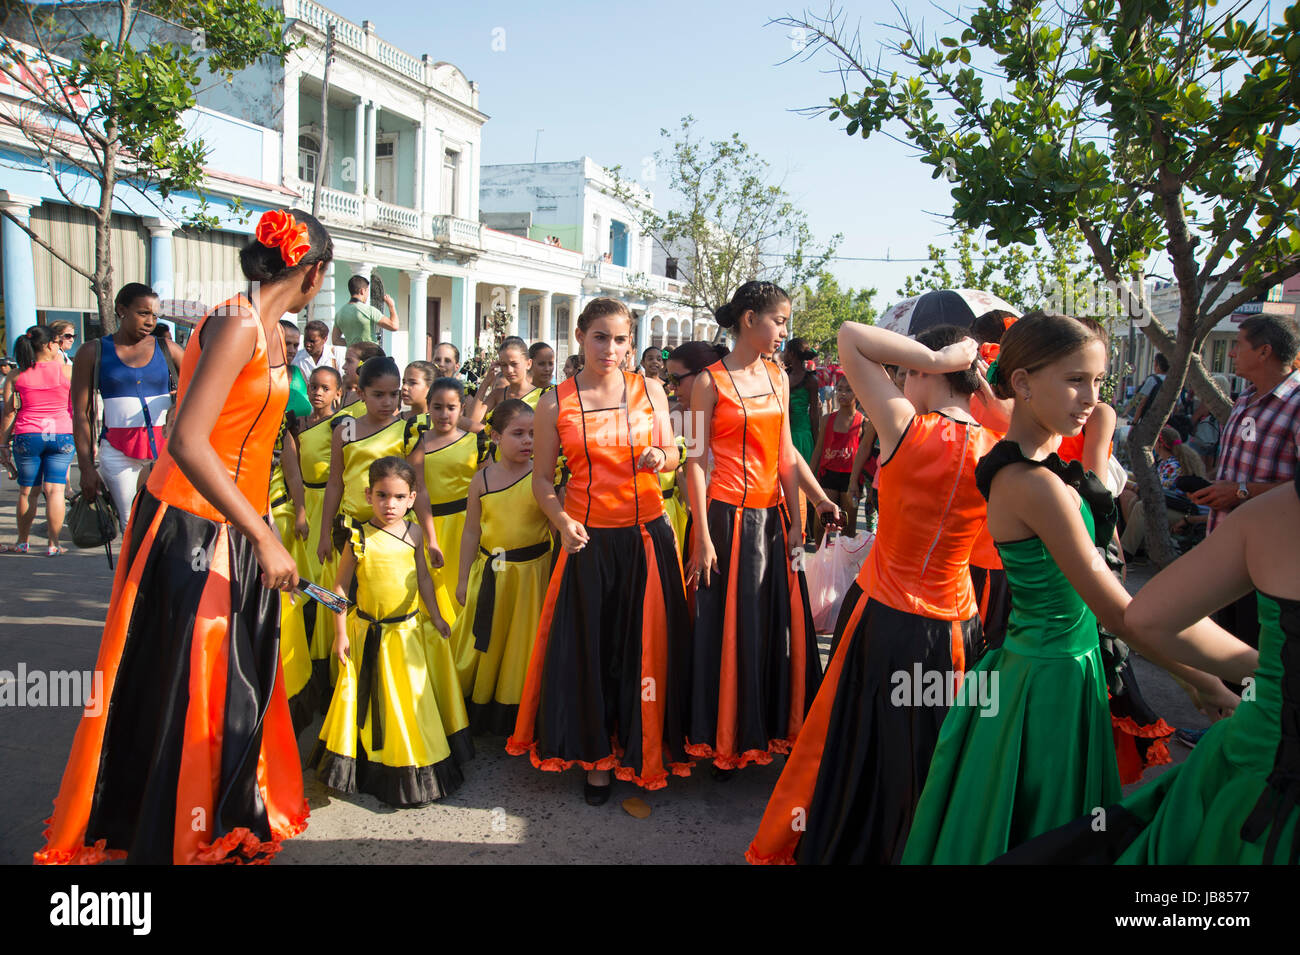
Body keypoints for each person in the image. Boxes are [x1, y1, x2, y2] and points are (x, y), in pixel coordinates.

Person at [35, 207, 332, 865]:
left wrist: (264, 525)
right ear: (314, 273)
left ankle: (216, 811)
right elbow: (188, 440)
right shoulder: (234, 321)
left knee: (229, 680)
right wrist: (262, 532)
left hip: (234, 524)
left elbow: (255, 436)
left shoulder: (267, 329)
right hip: (195, 521)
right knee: (187, 681)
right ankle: (177, 826)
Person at [899, 313, 1242, 865]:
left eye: (1099, 381)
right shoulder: (1036, 484)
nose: (1090, 396)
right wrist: (1209, 679)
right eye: (1075, 379)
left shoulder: (1037, 464)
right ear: (1025, 384)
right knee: (1051, 836)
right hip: (1048, 684)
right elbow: (1122, 610)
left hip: (1055, 670)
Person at [747, 322, 996, 865]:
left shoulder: (906, 426)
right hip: (958, 626)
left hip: (886, 615)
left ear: (918, 371)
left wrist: (939, 354)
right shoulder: (998, 445)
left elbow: (850, 336)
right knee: (930, 752)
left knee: (861, 744)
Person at [998, 481, 1290, 865]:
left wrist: (1257, 673)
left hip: (1258, 761)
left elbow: (1138, 614)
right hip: (1047, 667)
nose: (1087, 415)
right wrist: (1214, 677)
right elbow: (1131, 613)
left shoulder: (1275, 512)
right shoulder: (1033, 484)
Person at [507, 298, 693, 803]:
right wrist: (562, 520)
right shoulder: (554, 402)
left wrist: (664, 454)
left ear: (630, 342)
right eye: (600, 337)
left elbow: (677, 451)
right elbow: (543, 480)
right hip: (586, 539)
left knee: (643, 651)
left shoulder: (651, 388)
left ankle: (643, 745)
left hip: (646, 539)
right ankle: (597, 759)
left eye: (620, 339)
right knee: (592, 651)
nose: (610, 349)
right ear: (581, 337)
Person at [686, 283, 839, 774]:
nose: (784, 332)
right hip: (724, 520)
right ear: (748, 319)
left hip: (773, 520)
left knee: (773, 625)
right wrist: (702, 535)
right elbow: (691, 460)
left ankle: (766, 729)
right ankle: (721, 736)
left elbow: (787, 453)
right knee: (728, 629)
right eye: (779, 320)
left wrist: (813, 502)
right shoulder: (705, 383)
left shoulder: (779, 375)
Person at [312, 456, 471, 807]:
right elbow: (339, 589)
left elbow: (424, 579)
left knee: (408, 699)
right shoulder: (358, 536)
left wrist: (437, 615)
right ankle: (376, 767)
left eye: (399, 497)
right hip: (367, 633)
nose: (390, 504)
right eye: (382, 495)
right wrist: (340, 635)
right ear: (369, 495)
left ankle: (414, 761)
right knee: (373, 703)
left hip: (407, 635)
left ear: (412, 498)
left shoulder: (415, 533)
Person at [1189, 315, 1300, 652]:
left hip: (1272, 562)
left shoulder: (1296, 405)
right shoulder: (1243, 402)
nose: (1232, 354)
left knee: (1259, 659)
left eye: (1238, 345)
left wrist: (1239, 492)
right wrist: (1215, 488)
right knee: (1228, 653)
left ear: (1264, 351)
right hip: (1227, 553)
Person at [450, 400, 552, 735]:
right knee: (488, 643)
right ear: (495, 437)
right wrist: (464, 579)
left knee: (523, 645)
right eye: (518, 433)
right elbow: (471, 531)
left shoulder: (544, 476)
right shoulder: (481, 480)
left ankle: (520, 710)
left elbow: (554, 526)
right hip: (493, 574)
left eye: (534, 434)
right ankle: (478, 705)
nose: (527, 441)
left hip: (532, 577)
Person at [69, 284, 185, 523]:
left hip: (167, 453)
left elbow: (203, 393)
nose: (150, 321)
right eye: (143, 313)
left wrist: (180, 400)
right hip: (118, 454)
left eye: (154, 315)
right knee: (131, 525)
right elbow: (82, 413)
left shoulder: (169, 350)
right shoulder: (93, 352)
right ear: (121, 310)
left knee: (167, 525)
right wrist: (87, 468)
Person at [317, 357, 423, 569]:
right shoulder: (346, 430)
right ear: (361, 394)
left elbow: (419, 488)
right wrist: (324, 533)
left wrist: (431, 537)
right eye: (378, 395)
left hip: (394, 529)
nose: (387, 402)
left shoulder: (407, 432)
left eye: (393, 394)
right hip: (351, 529)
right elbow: (335, 484)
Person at [285, 365, 345, 700]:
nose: (317, 393)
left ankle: (328, 644)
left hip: (329, 503)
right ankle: (305, 648)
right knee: (303, 578)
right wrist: (301, 510)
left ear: (338, 392)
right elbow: (293, 470)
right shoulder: (298, 425)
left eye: (325, 388)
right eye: (313, 386)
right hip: (305, 501)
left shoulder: (339, 426)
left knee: (326, 575)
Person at [0, 325, 75, 554]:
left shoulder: (16, 375)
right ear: (50, 344)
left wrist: (3, 443)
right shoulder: (68, 372)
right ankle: (54, 544)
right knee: (55, 491)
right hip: (62, 435)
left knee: (27, 492)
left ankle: (22, 542)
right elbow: (79, 408)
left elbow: (10, 412)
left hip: (28, 435)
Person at [1118, 425, 1206, 555]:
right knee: (1128, 497)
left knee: (1141, 506)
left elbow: (1155, 492)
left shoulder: (1173, 465)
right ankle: (1138, 546)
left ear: (1159, 444)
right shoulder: (1166, 462)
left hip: (1180, 511)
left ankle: (1126, 552)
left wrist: (1129, 484)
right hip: (1171, 506)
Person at [810, 375, 868, 534]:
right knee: (821, 523)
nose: (843, 394)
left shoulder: (863, 422)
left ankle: (845, 558)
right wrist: (810, 478)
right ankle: (820, 557)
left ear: (858, 393)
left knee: (848, 527)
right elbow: (818, 450)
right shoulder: (827, 419)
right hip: (828, 475)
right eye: (840, 389)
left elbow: (865, 453)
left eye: (849, 390)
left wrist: (856, 482)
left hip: (851, 479)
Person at [331, 274, 399, 347]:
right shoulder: (369, 310)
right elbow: (394, 326)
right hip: (370, 355)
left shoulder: (340, 313)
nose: (367, 295)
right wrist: (391, 306)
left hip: (352, 356)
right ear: (362, 291)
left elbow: (335, 340)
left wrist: (352, 343)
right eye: (367, 291)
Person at [279, 319, 312, 419]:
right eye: (287, 344)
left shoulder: (298, 373)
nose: (292, 350)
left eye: (295, 345)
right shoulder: (261, 375)